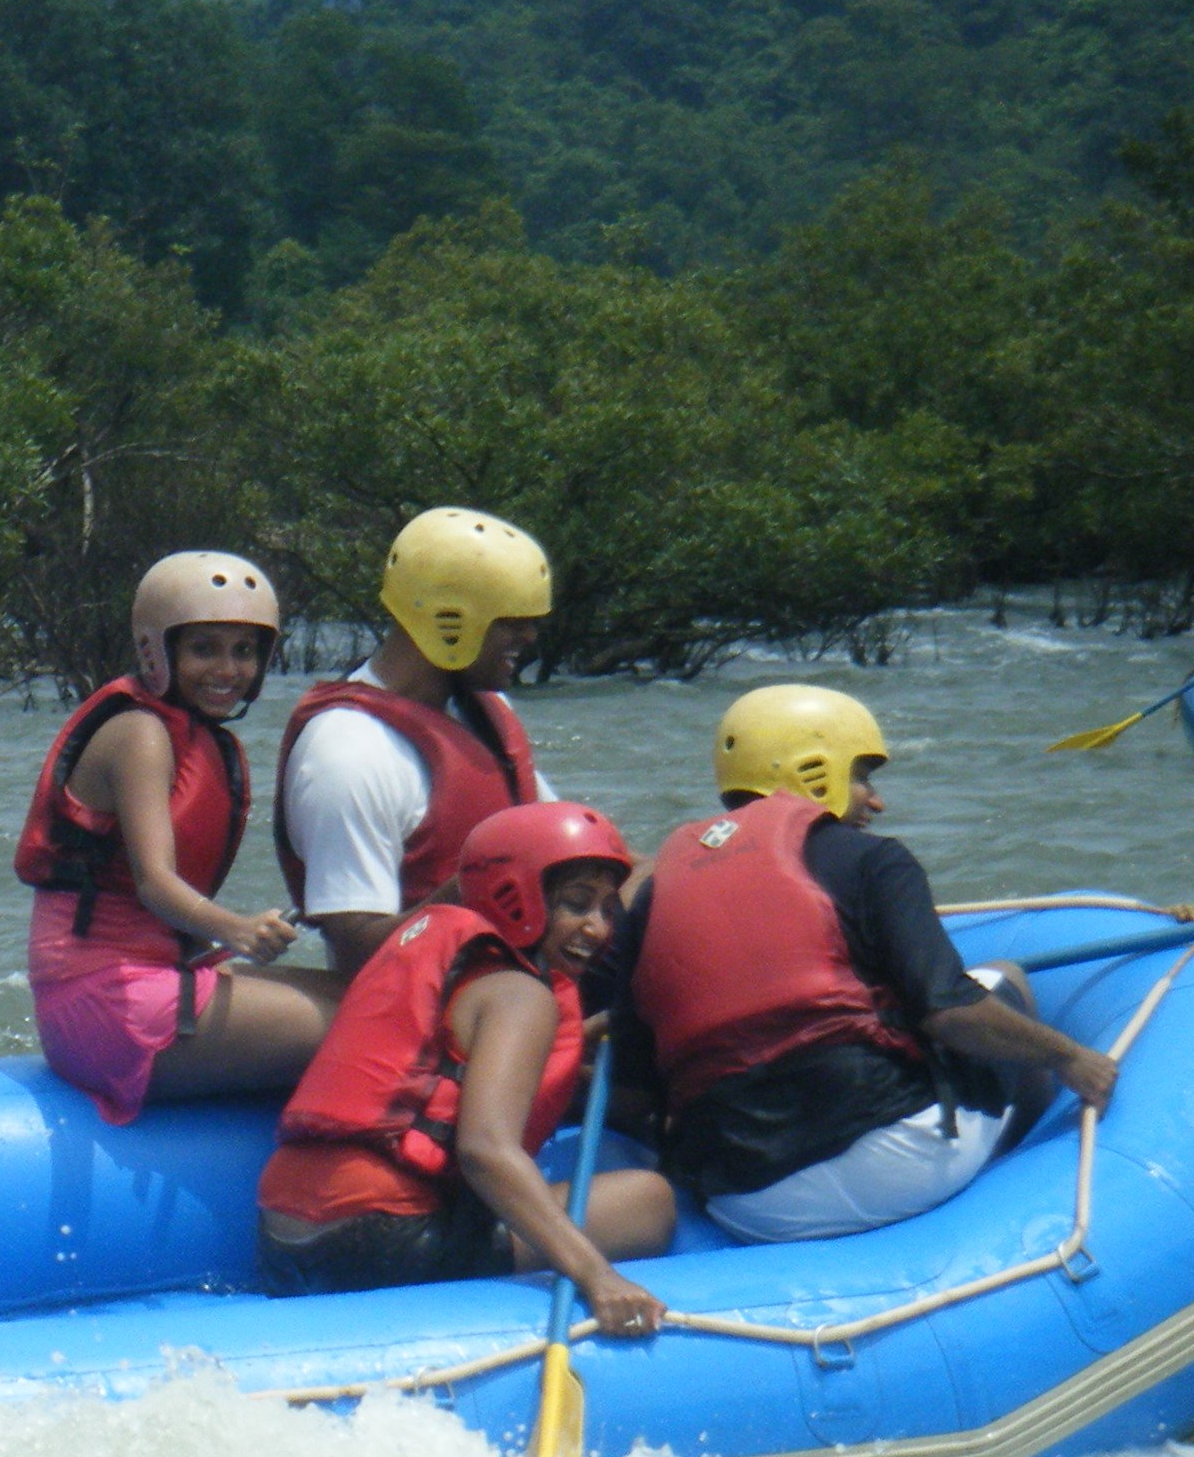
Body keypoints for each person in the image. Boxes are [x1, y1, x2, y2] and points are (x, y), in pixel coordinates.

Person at [603, 684, 1115, 1247]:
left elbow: (632, 1093)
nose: (875, 801)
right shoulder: (875, 860)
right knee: (1005, 980)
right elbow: (950, 1012)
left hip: (748, 1203)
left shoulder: (654, 897)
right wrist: (1070, 1056)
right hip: (897, 1170)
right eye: (864, 775)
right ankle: (1017, 1188)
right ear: (813, 771)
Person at [257, 801, 674, 1332]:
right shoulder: (521, 994)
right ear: (517, 895)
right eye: (577, 904)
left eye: (608, 910)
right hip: (383, 1244)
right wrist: (599, 1278)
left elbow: (438, 1072)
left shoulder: (426, 946)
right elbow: (484, 1151)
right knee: (649, 1200)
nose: (597, 929)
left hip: (280, 1239)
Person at [18, 552, 332, 1125]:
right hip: (105, 1001)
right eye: (204, 648)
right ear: (157, 651)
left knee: (369, 996)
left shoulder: (188, 735)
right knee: (369, 1026)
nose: (227, 669)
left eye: (244, 650)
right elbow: (155, 883)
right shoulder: (138, 734)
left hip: (147, 979)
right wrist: (236, 928)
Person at [273, 506, 551, 976]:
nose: (529, 634)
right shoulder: (348, 752)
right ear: (451, 619)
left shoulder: (484, 712)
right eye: (511, 619)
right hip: (420, 1008)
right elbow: (358, 954)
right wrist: (483, 878)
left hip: (513, 976)